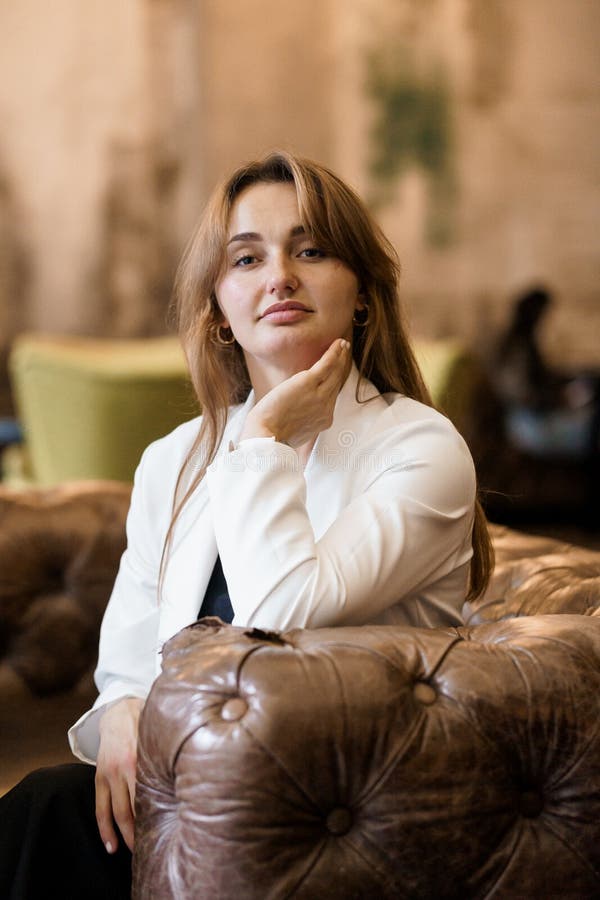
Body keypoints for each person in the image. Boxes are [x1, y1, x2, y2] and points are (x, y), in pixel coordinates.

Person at [0, 151, 493, 897]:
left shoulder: (420, 448)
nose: (279, 277)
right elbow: (131, 656)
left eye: (311, 249)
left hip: (339, 810)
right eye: (247, 257)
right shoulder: (175, 457)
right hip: (185, 792)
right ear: (219, 308)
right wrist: (126, 710)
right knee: (47, 808)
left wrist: (264, 441)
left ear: (361, 294)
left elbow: (279, 618)